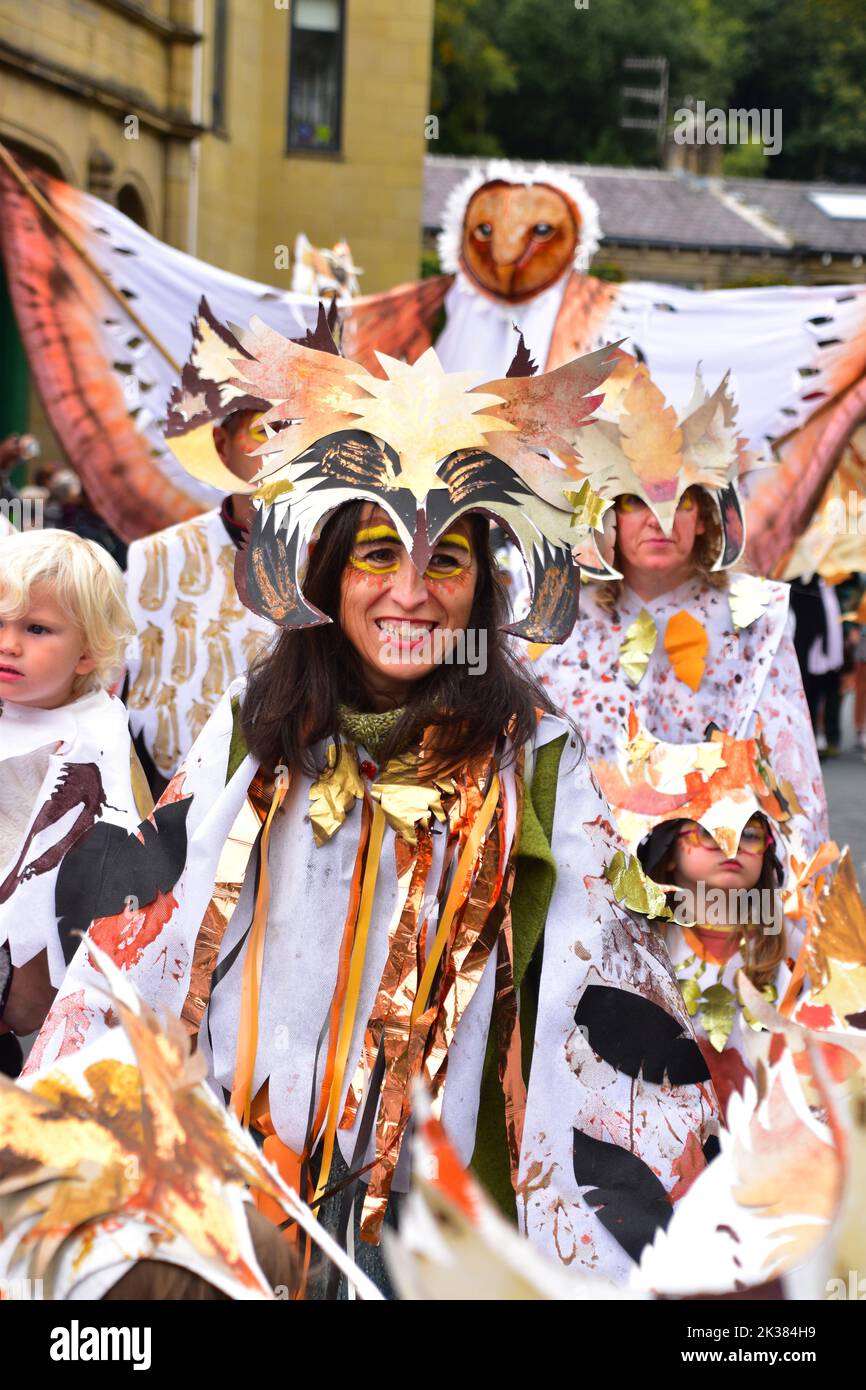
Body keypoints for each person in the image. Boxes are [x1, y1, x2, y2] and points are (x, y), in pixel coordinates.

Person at [39, 311, 719, 1291]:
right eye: (374, 554)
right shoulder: (253, 728)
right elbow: (138, 944)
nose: (409, 591)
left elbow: (602, 984)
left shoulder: (538, 758)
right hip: (236, 1181)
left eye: (444, 558)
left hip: (431, 1214)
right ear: (324, 571)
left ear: (481, 583)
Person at [529, 356, 829, 857]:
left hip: (713, 874)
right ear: (607, 518)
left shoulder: (755, 617)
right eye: (636, 502)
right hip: (584, 872)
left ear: (708, 518)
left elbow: (791, 772)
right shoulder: (559, 619)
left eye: (680, 501)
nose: (659, 521)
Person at [0, 529, 142, 1069]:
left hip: (29, 960)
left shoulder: (90, 737)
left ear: (86, 654)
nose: (9, 644)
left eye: (37, 629)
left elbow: (80, 867)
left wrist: (34, 981)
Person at [123, 402, 273, 796]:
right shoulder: (157, 558)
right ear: (221, 446)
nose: (287, 446)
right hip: (176, 804)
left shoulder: (353, 558)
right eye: (267, 429)